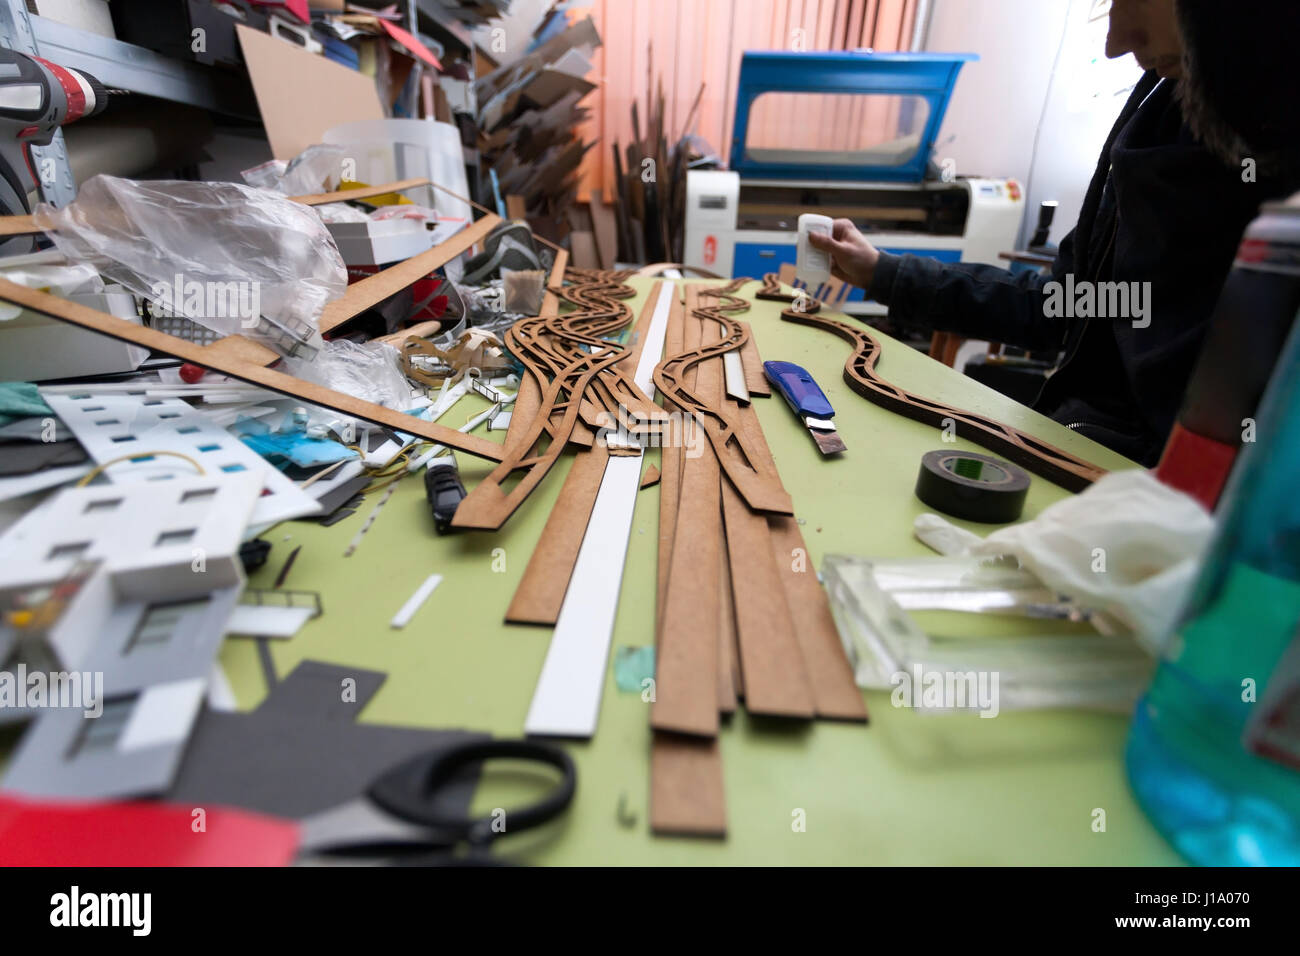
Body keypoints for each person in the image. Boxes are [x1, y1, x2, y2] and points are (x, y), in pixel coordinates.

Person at [809, 0, 1300, 466]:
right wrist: (885, 271)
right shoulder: (1160, 116)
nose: (1115, 42)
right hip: (1089, 455)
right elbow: (1066, 305)